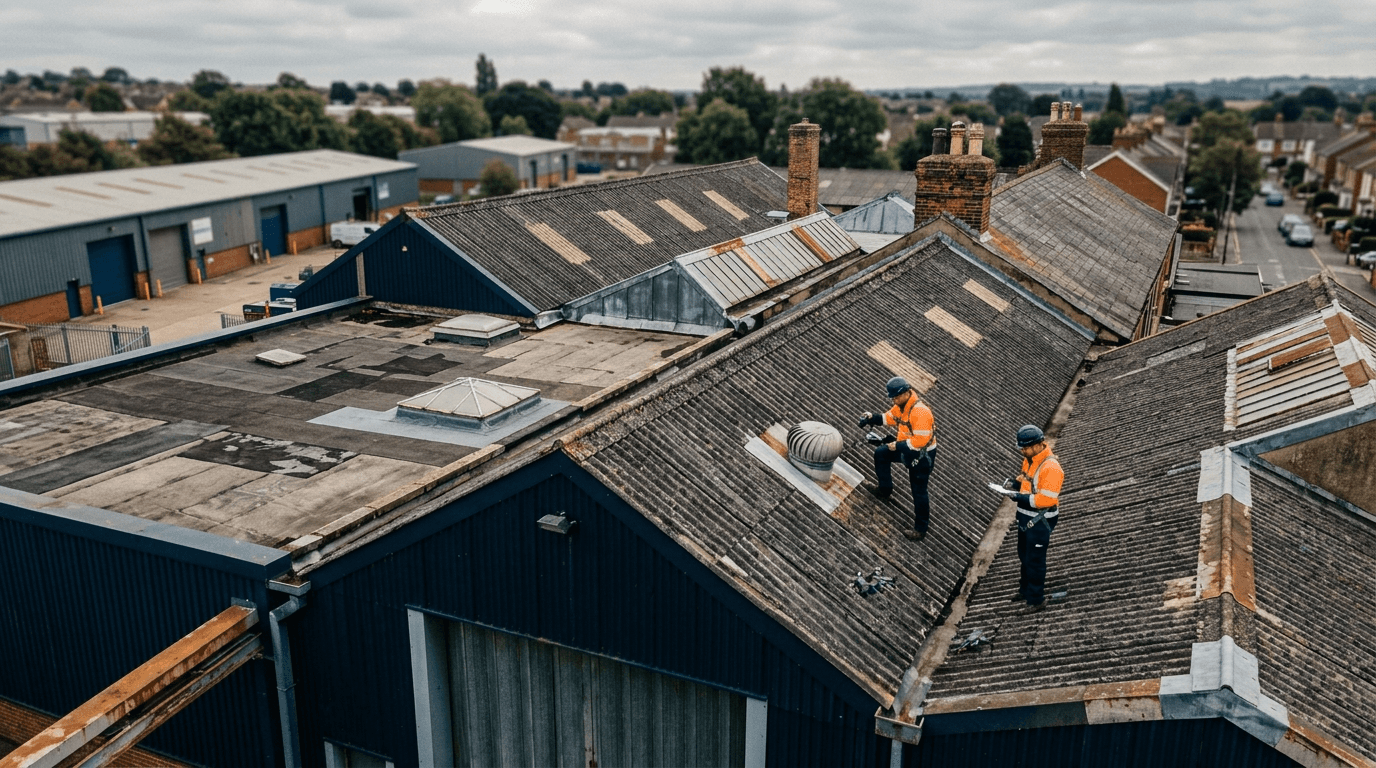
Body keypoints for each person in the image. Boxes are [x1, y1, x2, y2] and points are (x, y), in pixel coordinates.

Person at [858, 376, 937, 541]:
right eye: (892, 397)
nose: (893, 400)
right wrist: (871, 417)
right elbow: (889, 418)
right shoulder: (901, 406)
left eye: (895, 397)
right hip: (905, 447)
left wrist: (897, 446)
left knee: (919, 491)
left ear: (906, 393)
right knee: (881, 453)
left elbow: (921, 441)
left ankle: (920, 529)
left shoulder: (920, 412)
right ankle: (884, 489)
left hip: (922, 456)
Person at [1009, 424, 1064, 614]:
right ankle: (1025, 590)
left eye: (1025, 448)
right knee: (1023, 555)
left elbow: (1045, 499)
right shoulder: (1030, 459)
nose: (1022, 451)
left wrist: (1021, 498)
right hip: (1026, 517)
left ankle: (1036, 600)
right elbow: (1027, 479)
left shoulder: (1051, 468)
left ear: (1038, 444)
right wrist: (1015, 484)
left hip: (1040, 521)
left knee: (1035, 560)